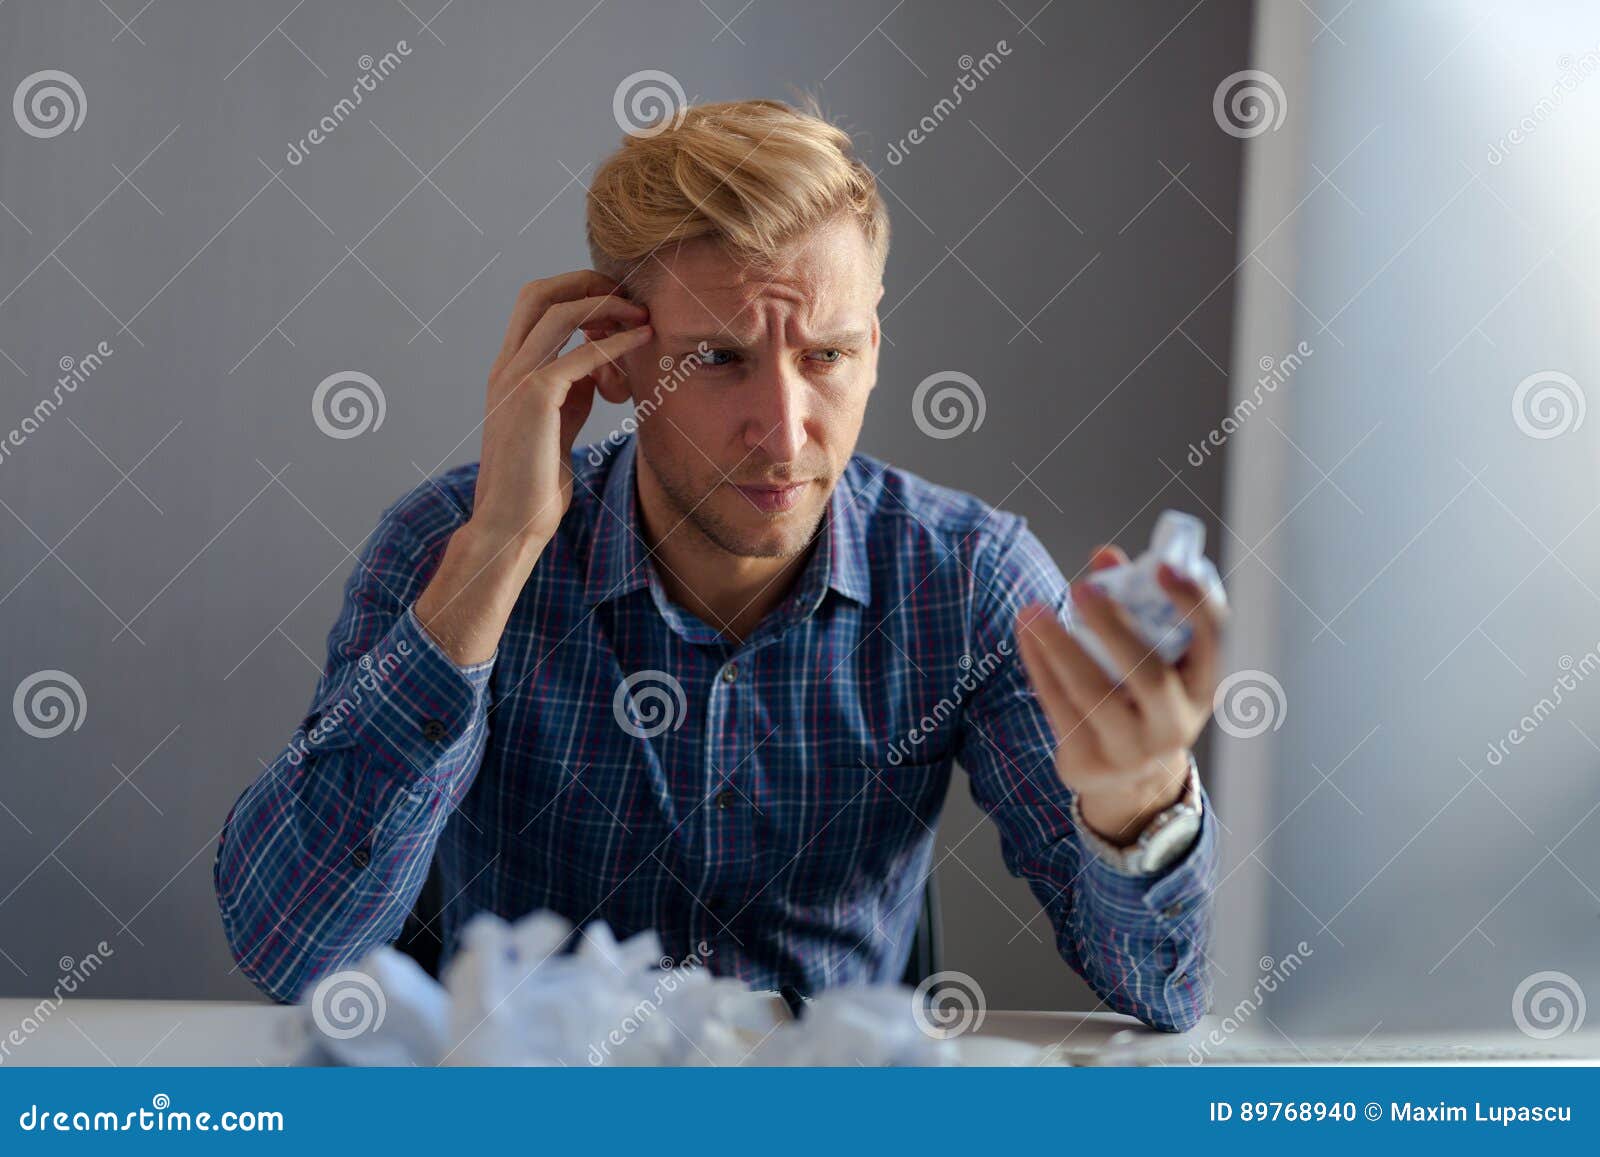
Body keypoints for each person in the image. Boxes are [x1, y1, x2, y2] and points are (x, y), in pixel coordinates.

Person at [214, 98, 1225, 1032]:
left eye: (825, 356)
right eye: (719, 359)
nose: (784, 432)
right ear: (613, 356)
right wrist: (498, 551)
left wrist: (1136, 802)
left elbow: (1162, 990)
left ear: (872, 346)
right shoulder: (449, 543)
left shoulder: (962, 576)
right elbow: (290, 950)